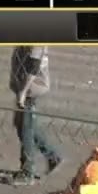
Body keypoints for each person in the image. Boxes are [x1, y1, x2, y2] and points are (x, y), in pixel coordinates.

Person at [9, 46, 63, 186]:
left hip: (30, 88)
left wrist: (23, 91)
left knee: (25, 129)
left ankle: (28, 172)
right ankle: (52, 156)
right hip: (25, 85)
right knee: (24, 125)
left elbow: (34, 65)